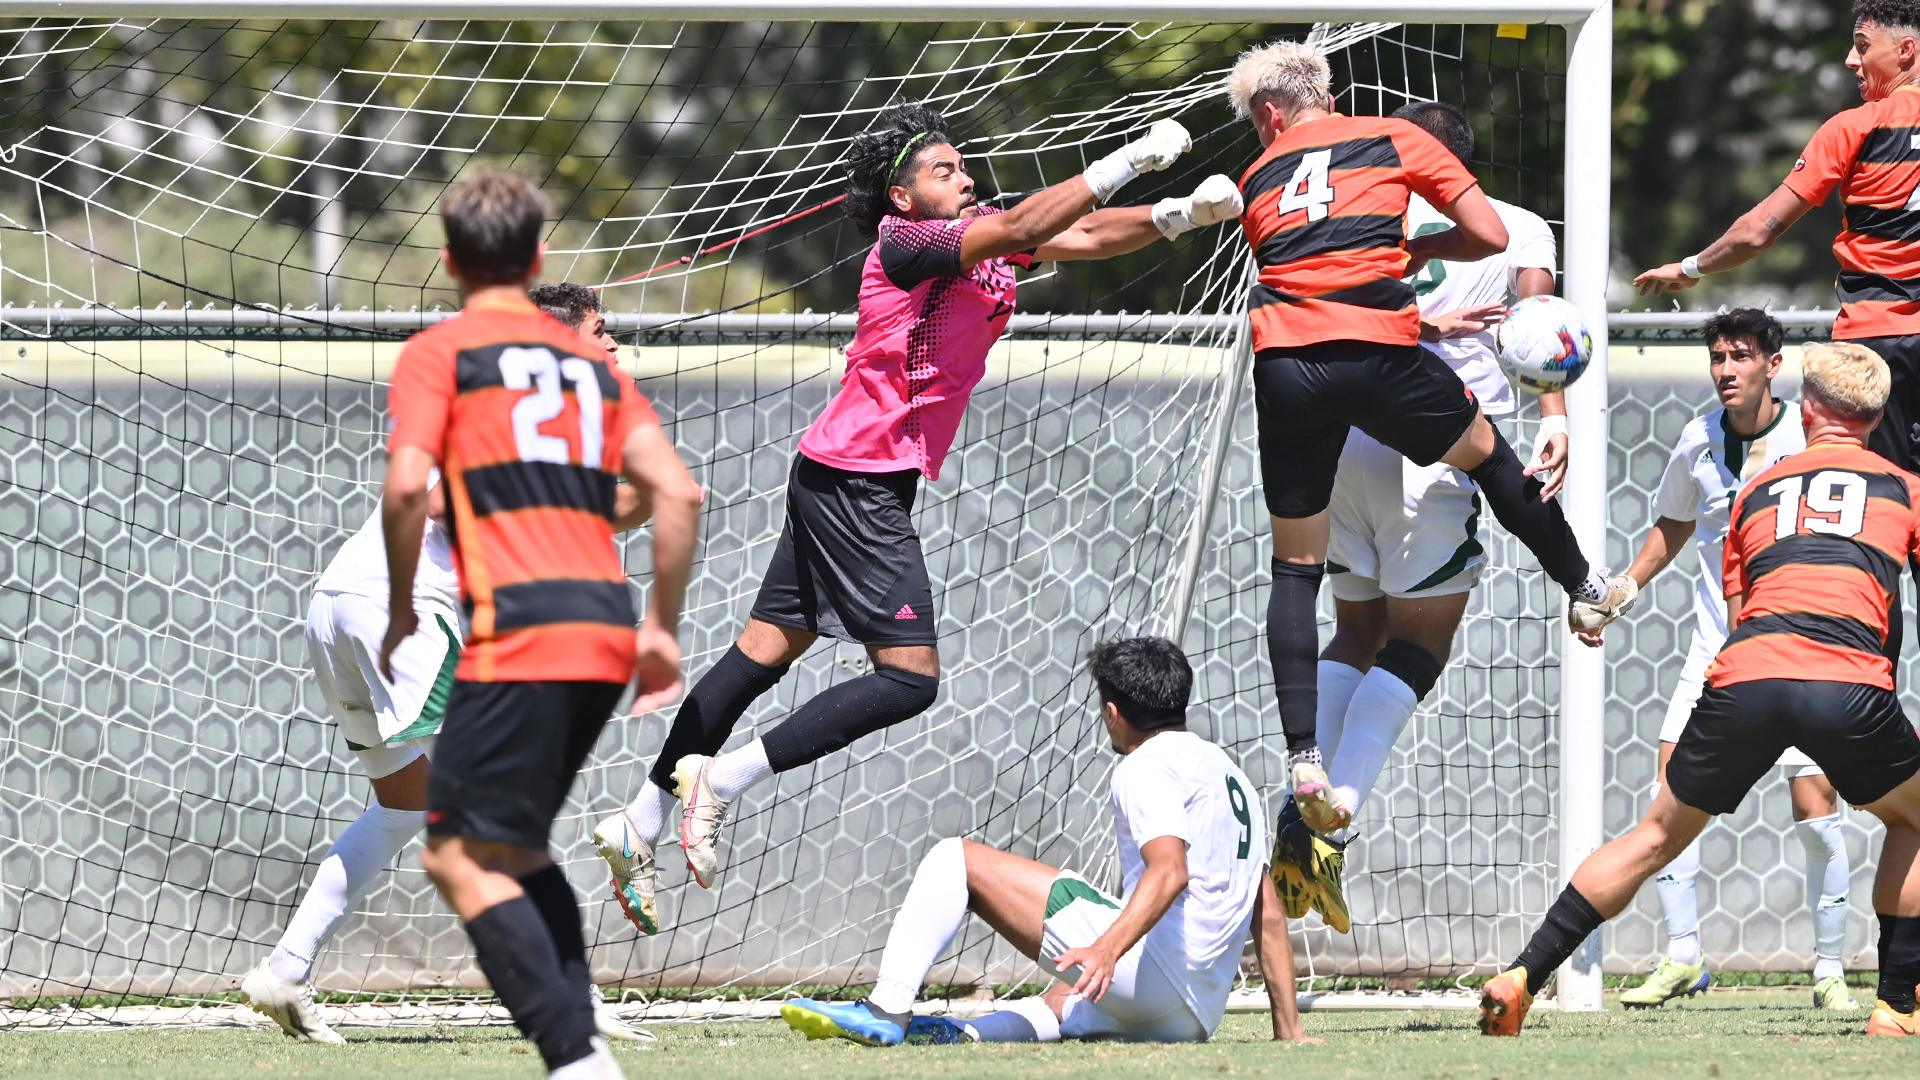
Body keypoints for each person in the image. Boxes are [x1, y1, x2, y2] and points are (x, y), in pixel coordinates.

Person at [591, 101, 1249, 932]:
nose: (965, 177)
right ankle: (719, 781)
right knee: (909, 679)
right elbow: (1028, 225)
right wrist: (1129, 161)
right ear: (902, 196)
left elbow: (1078, 234)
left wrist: (1175, 215)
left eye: (962, 166)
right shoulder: (905, 244)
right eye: (945, 170)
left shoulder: (974, 233)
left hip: (848, 474)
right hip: (857, 480)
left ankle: (640, 820)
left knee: (761, 654)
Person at [1219, 42, 1634, 863]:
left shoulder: (1256, 175)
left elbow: (1290, 272)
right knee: (1449, 564)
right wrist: (1427, 262)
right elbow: (1508, 270)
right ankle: (1586, 587)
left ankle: (1302, 762)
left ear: (1269, 114)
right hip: (1395, 388)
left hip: (1301, 391)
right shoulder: (1403, 150)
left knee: (1312, 591)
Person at [1479, 343, 1920, 1038]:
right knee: (1913, 821)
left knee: (1655, 835)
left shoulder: (1756, 492)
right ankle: (1895, 1007)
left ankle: (1522, 975)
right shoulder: (1905, 488)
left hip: (1746, 673)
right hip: (1846, 679)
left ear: (1808, 410)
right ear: (1877, 417)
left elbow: (1741, 616)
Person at [382, 169, 702, 1079]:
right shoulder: (589, 370)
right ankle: (584, 1039)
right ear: (538, 259)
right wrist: (662, 626)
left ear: (450, 261)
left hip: (521, 624)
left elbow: (406, 491)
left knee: (454, 854)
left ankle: (576, 1060)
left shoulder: (440, 353)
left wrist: (403, 608)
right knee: (514, 849)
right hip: (605, 621)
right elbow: (678, 494)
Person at [1271, 98, 1570, 935]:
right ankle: (1335, 820)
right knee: (1416, 647)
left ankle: (1299, 807)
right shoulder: (1516, 226)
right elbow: (1539, 330)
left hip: (1342, 443)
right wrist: (1555, 419)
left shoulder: (1359, 213)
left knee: (1353, 633)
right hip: (1439, 443)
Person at [776, 637, 1312, 1046]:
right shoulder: (1231, 775)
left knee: (954, 860)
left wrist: (1106, 949)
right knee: (1061, 1000)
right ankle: (962, 1035)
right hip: (1194, 1017)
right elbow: (1266, 912)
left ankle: (886, 1008)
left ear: (1112, 712)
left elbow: (1169, 870)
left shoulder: (1146, 765)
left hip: (1151, 982)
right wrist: (1288, 1031)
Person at [1576, 310, 1857, 1011]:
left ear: (1773, 364)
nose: (1726, 370)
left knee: (1814, 801)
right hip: (1716, 653)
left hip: (1800, 648)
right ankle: (1683, 957)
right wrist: (1625, 589)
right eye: (1717, 357)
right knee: (1671, 790)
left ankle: (1829, 971)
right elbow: (1674, 524)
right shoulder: (1696, 439)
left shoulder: (1810, 438)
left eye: (1741, 356)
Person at [1633, 1, 1920, 650]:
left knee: (1874, 528)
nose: (1850, 60)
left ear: (1905, 52)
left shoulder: (1856, 126)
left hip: (1874, 353)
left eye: (1862, 45)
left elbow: (1759, 229)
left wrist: (1690, 265)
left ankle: (1867, 698)